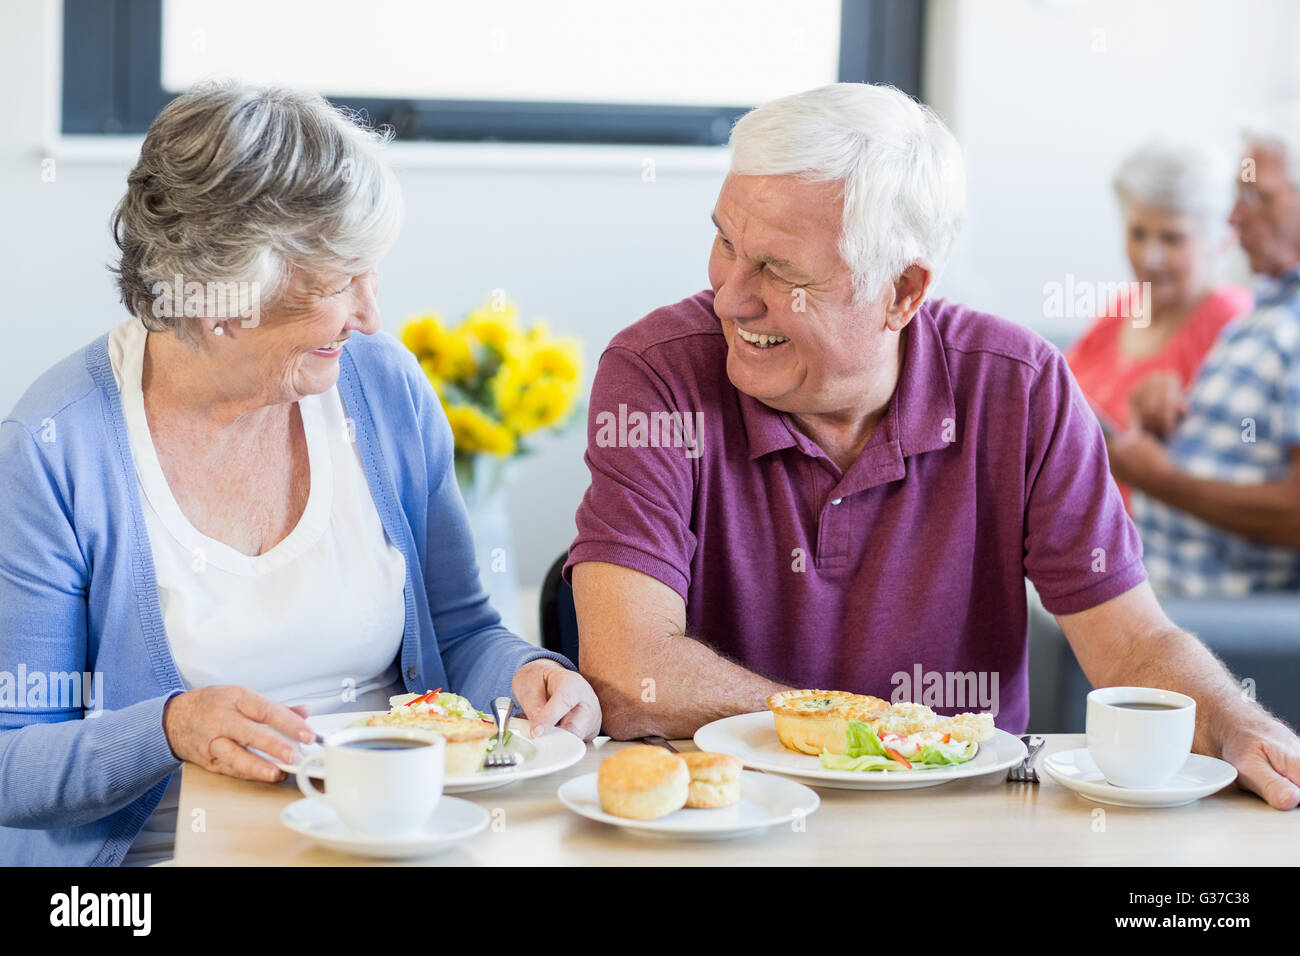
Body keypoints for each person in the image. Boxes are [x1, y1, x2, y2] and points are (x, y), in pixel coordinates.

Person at [565, 83, 1300, 811]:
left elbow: (1133, 644)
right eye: (727, 241)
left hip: (960, 822)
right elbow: (630, 671)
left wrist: (1238, 722)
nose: (730, 296)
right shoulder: (655, 375)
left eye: (781, 270)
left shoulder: (1022, 385)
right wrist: (871, 732)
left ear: (902, 293)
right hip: (730, 819)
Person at [0, 82, 600, 866]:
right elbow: (14, 761)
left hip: (399, 837)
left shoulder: (382, 386)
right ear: (225, 298)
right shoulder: (57, 446)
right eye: (341, 281)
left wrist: (531, 675)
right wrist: (170, 727)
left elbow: (461, 632)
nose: (370, 316)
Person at [1109, 106, 1300, 597]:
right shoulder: (1266, 314)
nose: (1234, 218)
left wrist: (1161, 479)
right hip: (1153, 577)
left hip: (1207, 612)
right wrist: (1162, 415)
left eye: (1256, 196)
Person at [1066, 142, 1251, 506]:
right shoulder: (1123, 306)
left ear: (1222, 239)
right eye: (1138, 234)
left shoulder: (1234, 323)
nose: (1150, 257)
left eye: (1172, 238)